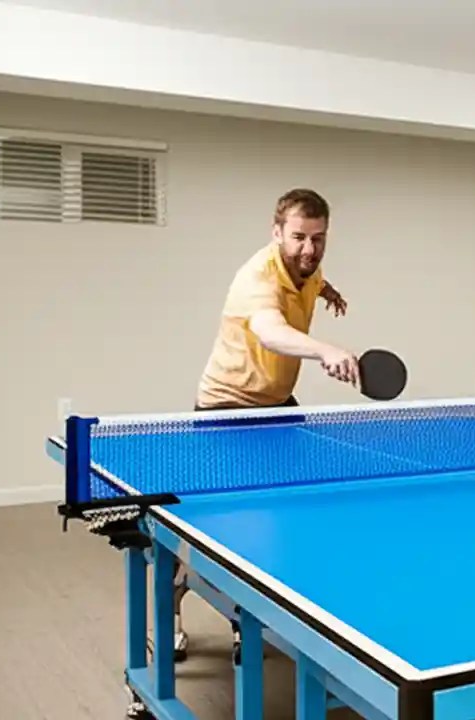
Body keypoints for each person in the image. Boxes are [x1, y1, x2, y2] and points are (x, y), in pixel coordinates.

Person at [169, 187, 361, 661]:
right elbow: (270, 330)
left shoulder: (307, 269)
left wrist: (328, 290)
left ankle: (254, 613)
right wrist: (325, 349)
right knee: (222, 527)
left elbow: (310, 278)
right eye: (298, 237)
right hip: (227, 409)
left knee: (288, 512)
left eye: (318, 239)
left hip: (275, 403)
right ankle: (175, 607)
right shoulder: (257, 277)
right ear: (277, 233)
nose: (309, 250)